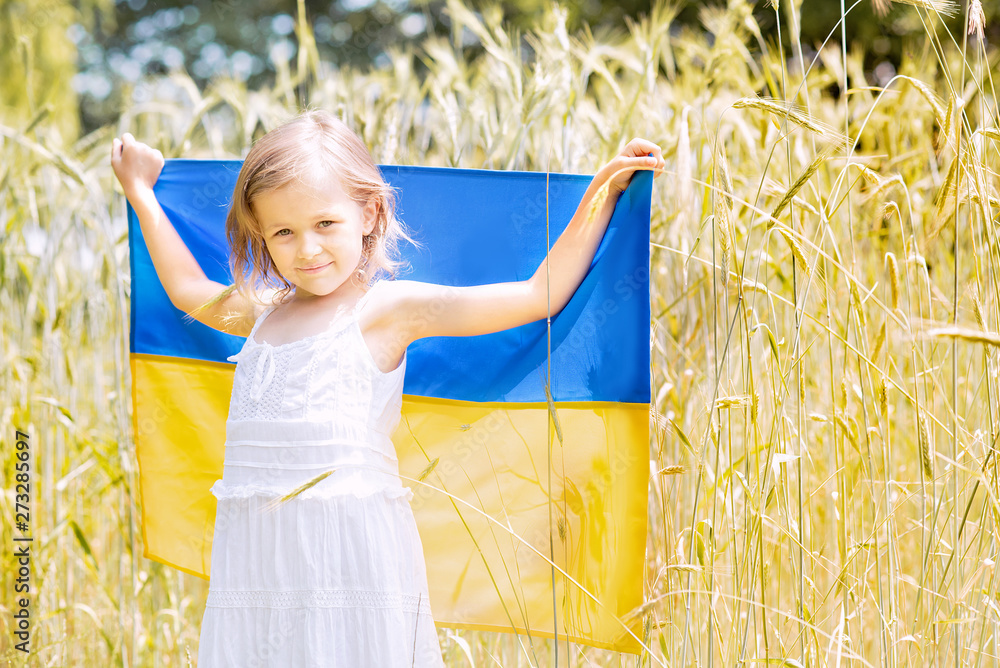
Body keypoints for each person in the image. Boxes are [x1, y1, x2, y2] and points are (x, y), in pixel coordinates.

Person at [111, 109, 663, 667]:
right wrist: (140, 193)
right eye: (283, 232)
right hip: (259, 567)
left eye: (325, 224)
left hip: (349, 565)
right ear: (261, 234)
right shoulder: (258, 314)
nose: (307, 249)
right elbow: (186, 289)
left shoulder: (386, 311)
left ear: (369, 211)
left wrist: (603, 189)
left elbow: (537, 293)